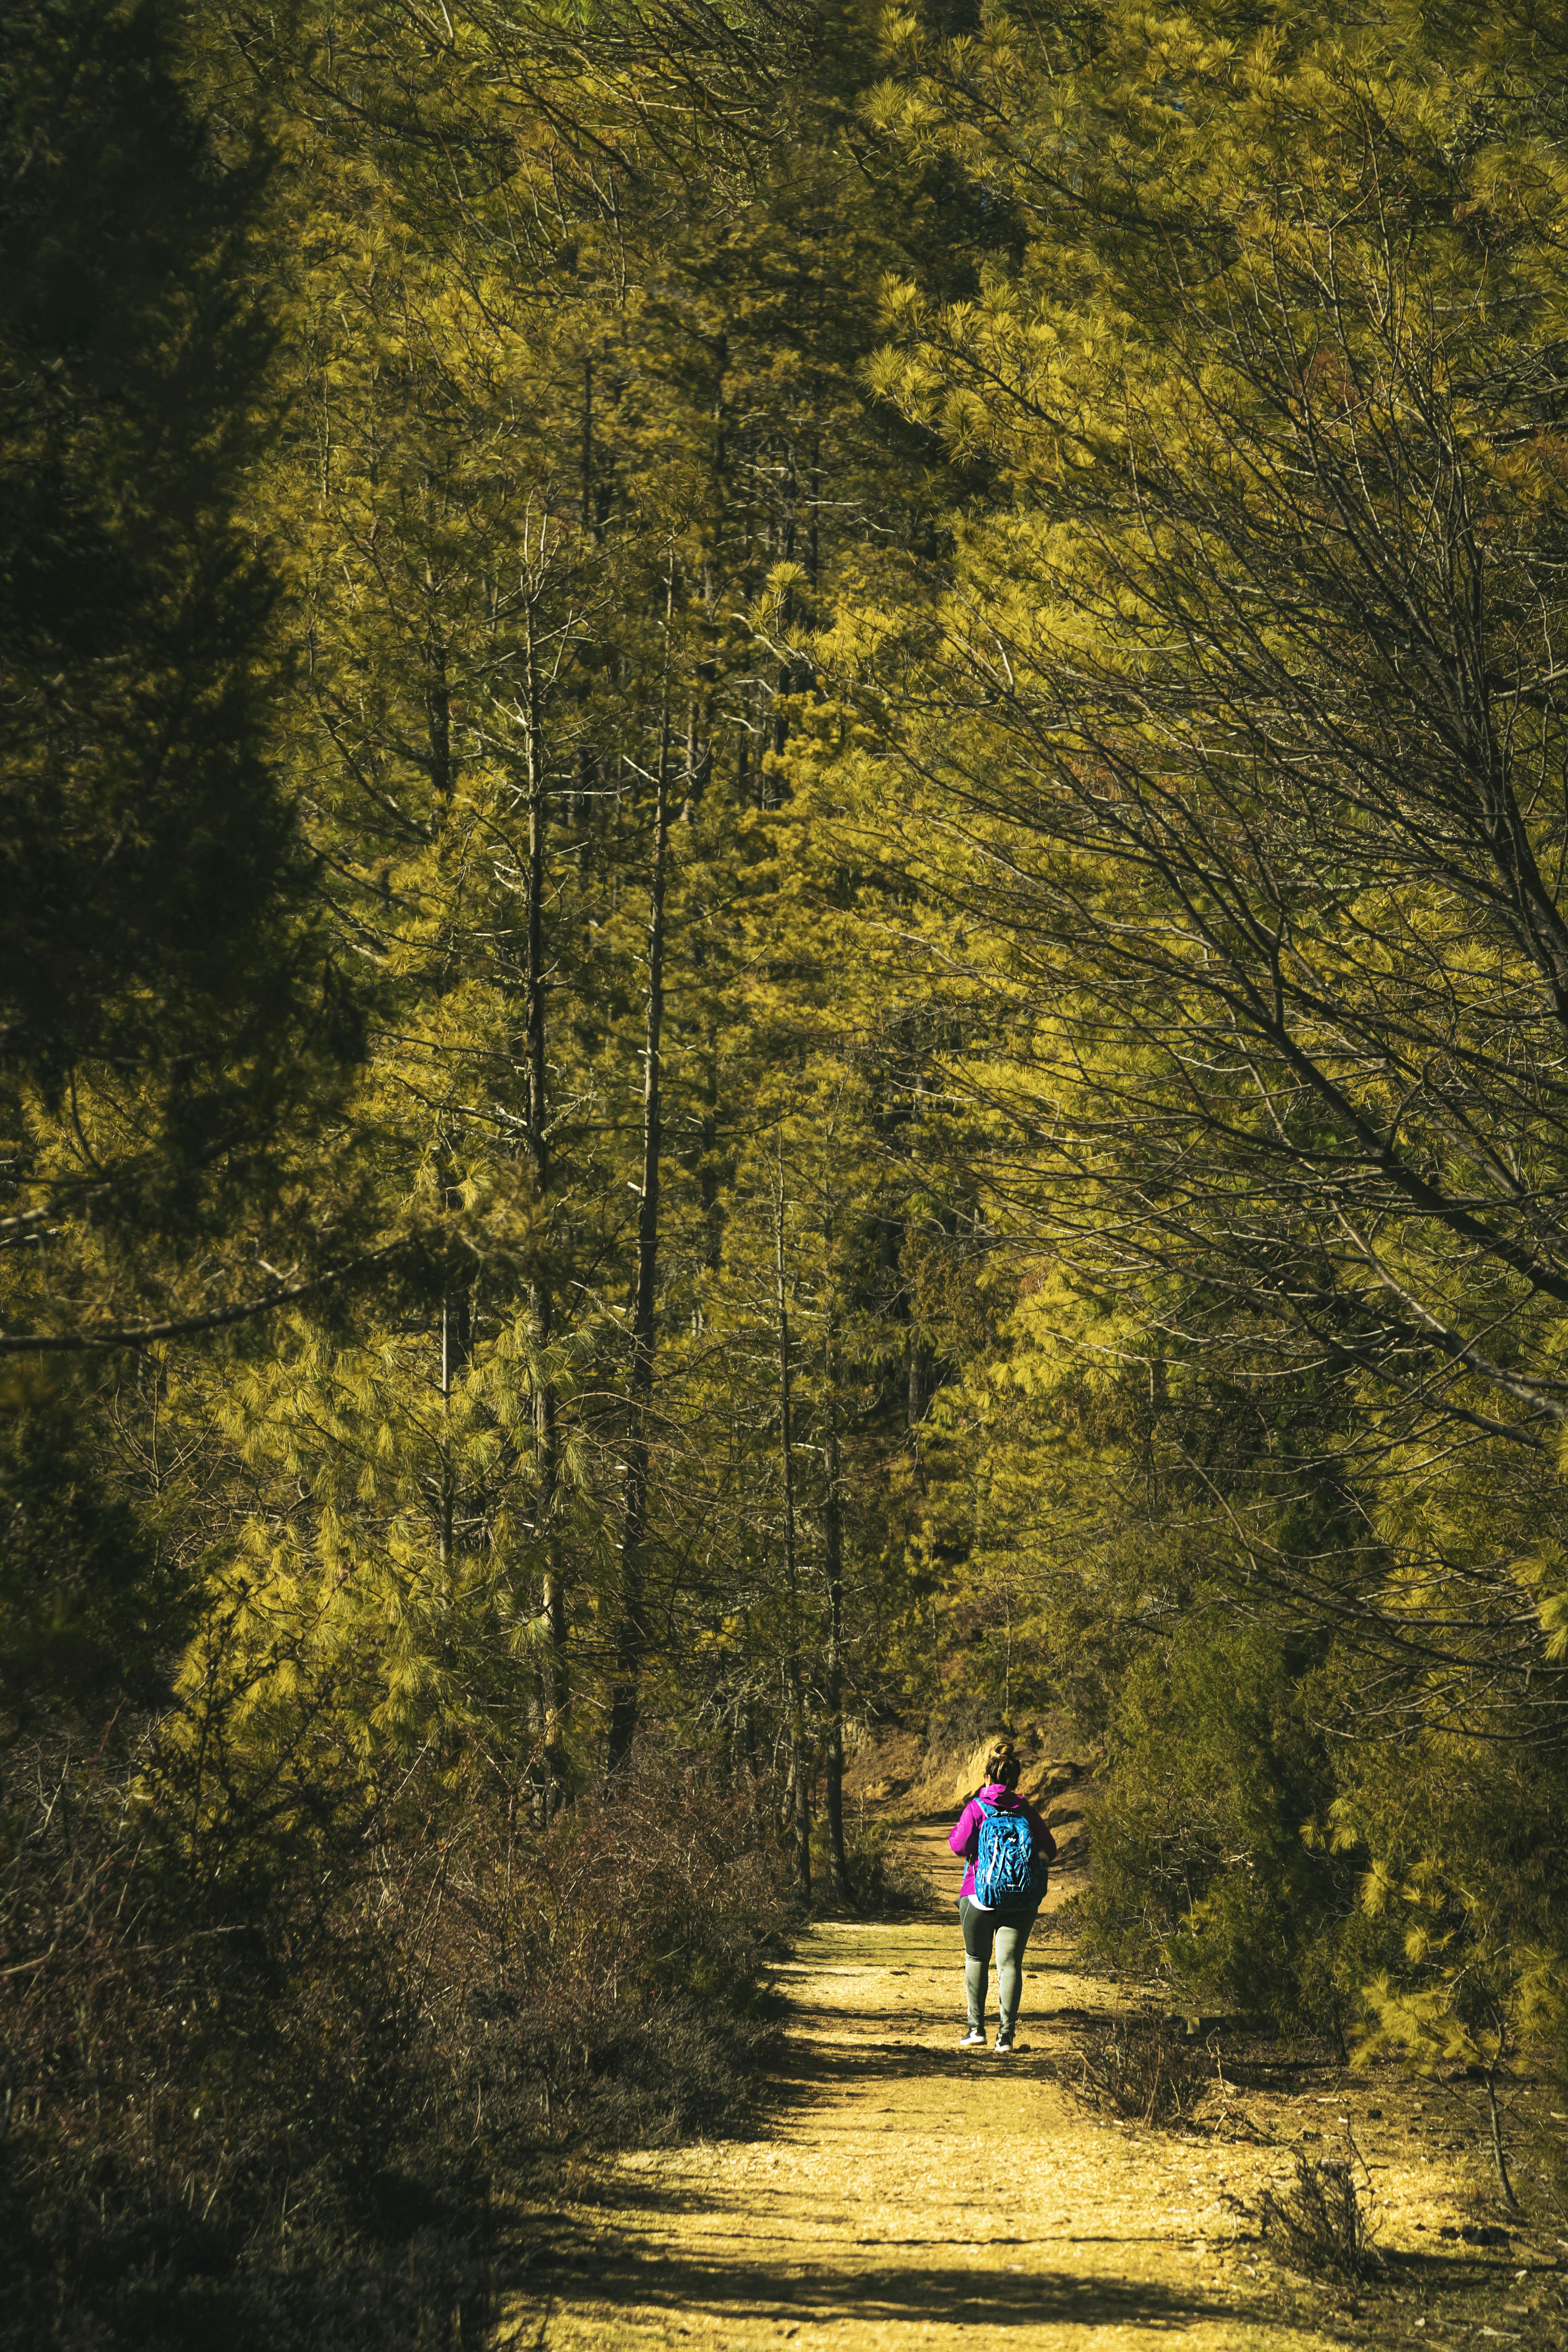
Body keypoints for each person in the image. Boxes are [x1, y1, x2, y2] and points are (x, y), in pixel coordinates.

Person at [948, 1738, 1056, 2054]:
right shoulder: (1027, 1811)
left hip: (978, 1896)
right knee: (1010, 1965)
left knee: (977, 1958)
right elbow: (1051, 1850)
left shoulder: (977, 1807)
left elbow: (958, 1846)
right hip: (1021, 1900)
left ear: (987, 1777)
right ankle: (1006, 2038)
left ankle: (976, 2029)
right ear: (1015, 1779)